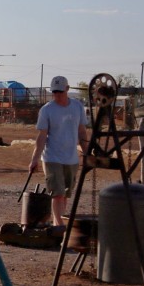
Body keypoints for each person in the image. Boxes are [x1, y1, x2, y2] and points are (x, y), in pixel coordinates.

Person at [30, 76, 89, 227]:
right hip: (52, 157)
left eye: (60, 92)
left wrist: (87, 153)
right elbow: (42, 136)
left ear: (67, 89)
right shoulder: (47, 110)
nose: (57, 95)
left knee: (65, 195)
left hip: (71, 158)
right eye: (55, 92)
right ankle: (60, 226)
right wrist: (34, 159)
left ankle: (59, 223)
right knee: (57, 194)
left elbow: (82, 132)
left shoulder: (77, 107)